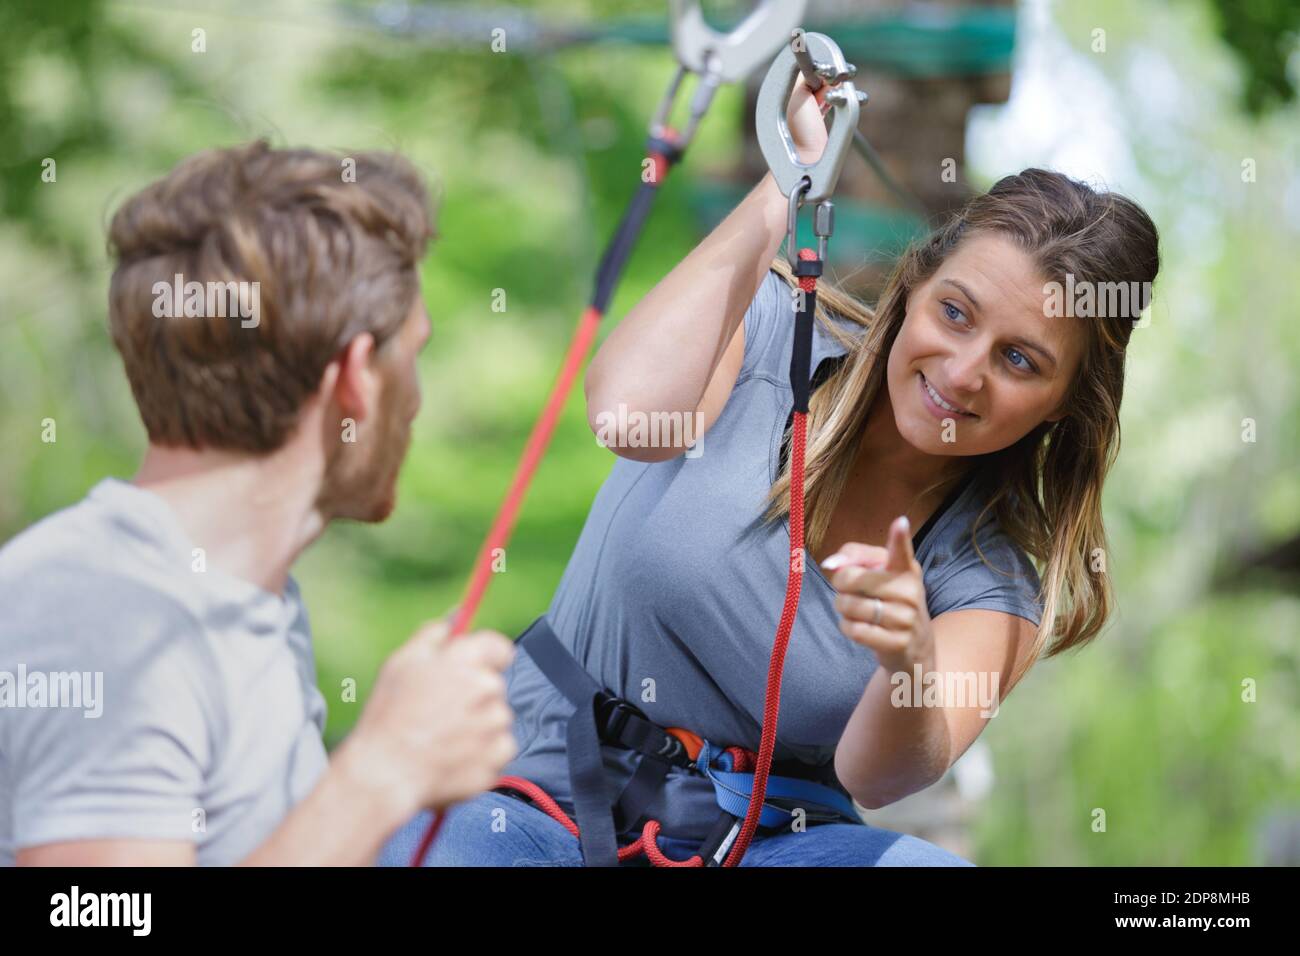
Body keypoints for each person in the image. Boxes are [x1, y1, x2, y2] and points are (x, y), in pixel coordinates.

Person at [381, 79, 1160, 866]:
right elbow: (626, 415)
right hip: (536, 790)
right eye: (954, 313)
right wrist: (791, 178)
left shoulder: (990, 582)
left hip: (761, 844)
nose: (962, 373)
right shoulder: (764, 335)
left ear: (1064, 405)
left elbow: (878, 775)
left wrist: (907, 659)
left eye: (1019, 360)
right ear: (914, 287)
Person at [0, 141, 517, 866]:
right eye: (414, 354)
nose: (419, 401)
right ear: (357, 381)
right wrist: (378, 777)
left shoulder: (240, 598)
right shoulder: (107, 610)